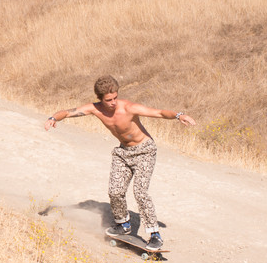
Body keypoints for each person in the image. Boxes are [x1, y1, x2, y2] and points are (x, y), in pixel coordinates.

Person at [44, 75, 195, 248]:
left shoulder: (128, 108)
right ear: (100, 99)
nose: (113, 102)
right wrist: (53, 118)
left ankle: (155, 234)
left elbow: (159, 113)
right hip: (123, 152)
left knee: (140, 192)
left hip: (144, 151)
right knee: (115, 191)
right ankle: (123, 225)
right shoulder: (95, 109)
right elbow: (68, 112)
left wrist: (178, 115)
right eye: (109, 100)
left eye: (115, 97)